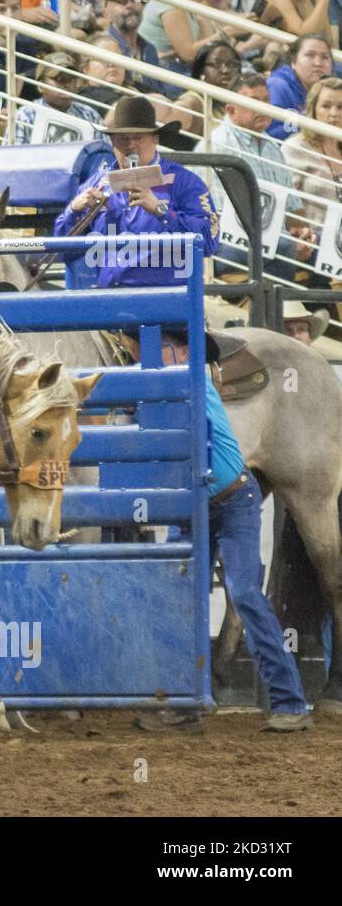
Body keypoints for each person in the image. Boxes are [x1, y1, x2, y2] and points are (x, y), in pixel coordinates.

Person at [123, 330, 312, 733]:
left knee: (242, 591)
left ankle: (290, 702)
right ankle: (184, 704)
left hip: (232, 500)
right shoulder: (173, 384)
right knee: (179, 595)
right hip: (200, 506)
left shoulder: (190, 381)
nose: (136, 351)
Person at [55, 96, 219, 286]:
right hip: (110, 301)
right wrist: (73, 211)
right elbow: (61, 252)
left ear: (155, 139)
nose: (130, 145)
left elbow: (208, 241)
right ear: (112, 141)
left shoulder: (184, 182)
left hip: (166, 304)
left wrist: (161, 211)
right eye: (123, 138)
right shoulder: (96, 185)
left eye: (138, 137)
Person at [209, 72, 316, 269]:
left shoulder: (273, 148)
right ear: (231, 110)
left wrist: (302, 233)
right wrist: (285, 240)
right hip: (229, 240)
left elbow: (294, 206)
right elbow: (223, 215)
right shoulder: (217, 144)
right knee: (284, 246)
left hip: (268, 236)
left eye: (266, 100)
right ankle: (274, 300)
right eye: (254, 101)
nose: (263, 107)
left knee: (320, 249)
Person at [138, 0, 223, 76]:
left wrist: (203, 13)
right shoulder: (170, 1)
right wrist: (227, 33)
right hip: (160, 75)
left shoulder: (185, 2)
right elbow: (188, 53)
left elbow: (209, 53)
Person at [282, 77, 342, 232]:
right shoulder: (296, 148)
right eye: (326, 106)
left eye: (341, 107)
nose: (334, 113)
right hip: (314, 237)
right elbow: (286, 201)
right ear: (313, 109)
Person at [12, 52, 103, 145]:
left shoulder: (90, 115)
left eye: (71, 79)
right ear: (40, 86)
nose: (66, 84)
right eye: (59, 79)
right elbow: (12, 156)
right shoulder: (26, 115)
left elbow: (104, 155)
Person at [103, 0, 170, 95]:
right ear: (106, 13)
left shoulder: (150, 49)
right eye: (121, 1)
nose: (129, 5)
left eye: (134, 0)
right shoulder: (102, 47)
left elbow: (160, 91)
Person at [266, 33, 334, 139]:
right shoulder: (277, 85)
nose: (318, 63)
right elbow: (270, 133)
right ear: (293, 62)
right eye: (310, 55)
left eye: (325, 57)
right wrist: (311, 121)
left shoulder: (332, 91)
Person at [172, 39, 241, 137]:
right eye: (217, 64)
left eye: (232, 64)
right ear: (201, 71)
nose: (226, 70)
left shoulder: (238, 102)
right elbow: (180, 110)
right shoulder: (196, 100)